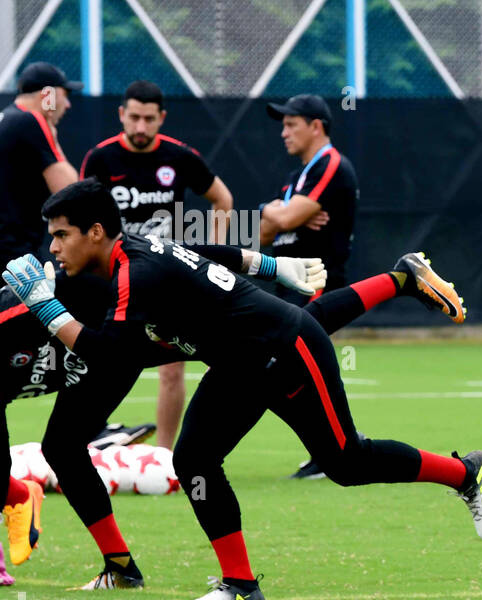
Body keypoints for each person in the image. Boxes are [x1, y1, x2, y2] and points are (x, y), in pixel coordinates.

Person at [3, 180, 482, 600]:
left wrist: (46, 309)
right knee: (193, 458)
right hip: (241, 364)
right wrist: (270, 265)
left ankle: (466, 473)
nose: (54, 248)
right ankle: (239, 585)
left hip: (285, 351)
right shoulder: (130, 255)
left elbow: (107, 354)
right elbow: (202, 257)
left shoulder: (137, 271)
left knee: (347, 462)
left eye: (61, 235)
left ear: (94, 232)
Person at [79, 79, 236, 450]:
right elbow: (80, 216)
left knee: (171, 365)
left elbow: (223, 200)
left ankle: (164, 456)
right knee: (101, 356)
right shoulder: (100, 158)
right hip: (114, 276)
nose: (140, 127)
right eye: (133, 117)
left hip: (166, 276)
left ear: (161, 118)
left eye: (149, 119)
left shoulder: (179, 157)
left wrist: (206, 253)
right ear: (121, 114)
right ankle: (91, 437)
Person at [259, 94, 362, 479]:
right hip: (288, 283)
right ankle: (332, 446)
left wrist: (280, 214)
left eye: (291, 124)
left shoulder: (331, 164)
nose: (283, 132)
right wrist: (276, 211)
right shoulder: (296, 177)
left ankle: (339, 445)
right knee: (285, 368)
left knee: (284, 364)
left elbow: (283, 219)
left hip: (315, 282)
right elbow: (266, 229)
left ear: (315, 126)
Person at [0, 62, 79, 263]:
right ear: (48, 96)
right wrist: (53, 138)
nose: (68, 105)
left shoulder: (7, 119)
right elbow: (71, 192)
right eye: (64, 95)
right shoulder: (31, 121)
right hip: (14, 257)